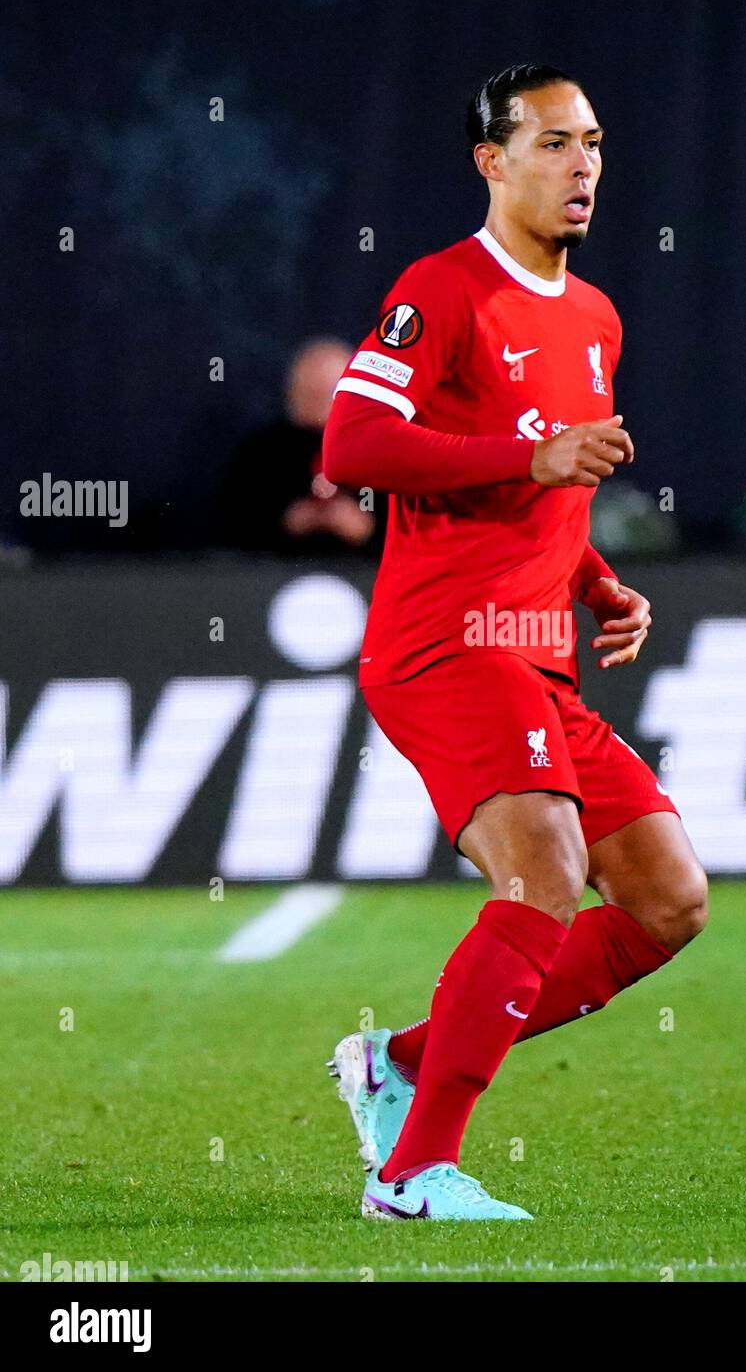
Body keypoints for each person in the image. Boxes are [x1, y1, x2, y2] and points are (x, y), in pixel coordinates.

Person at [323, 64, 709, 1221]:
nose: (580, 164)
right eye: (551, 143)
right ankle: (412, 1174)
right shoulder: (440, 290)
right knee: (542, 872)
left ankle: (394, 1062)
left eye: (590, 142)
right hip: (443, 644)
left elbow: (549, 479)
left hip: (537, 648)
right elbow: (352, 441)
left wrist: (593, 579)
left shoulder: (595, 317)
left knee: (666, 901)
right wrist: (524, 458)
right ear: (492, 161)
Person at [216, 338, 378, 556]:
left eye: (332, 393)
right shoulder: (262, 454)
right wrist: (287, 522)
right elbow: (232, 529)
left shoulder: (382, 454)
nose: (323, 406)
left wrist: (367, 529)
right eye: (312, 393)